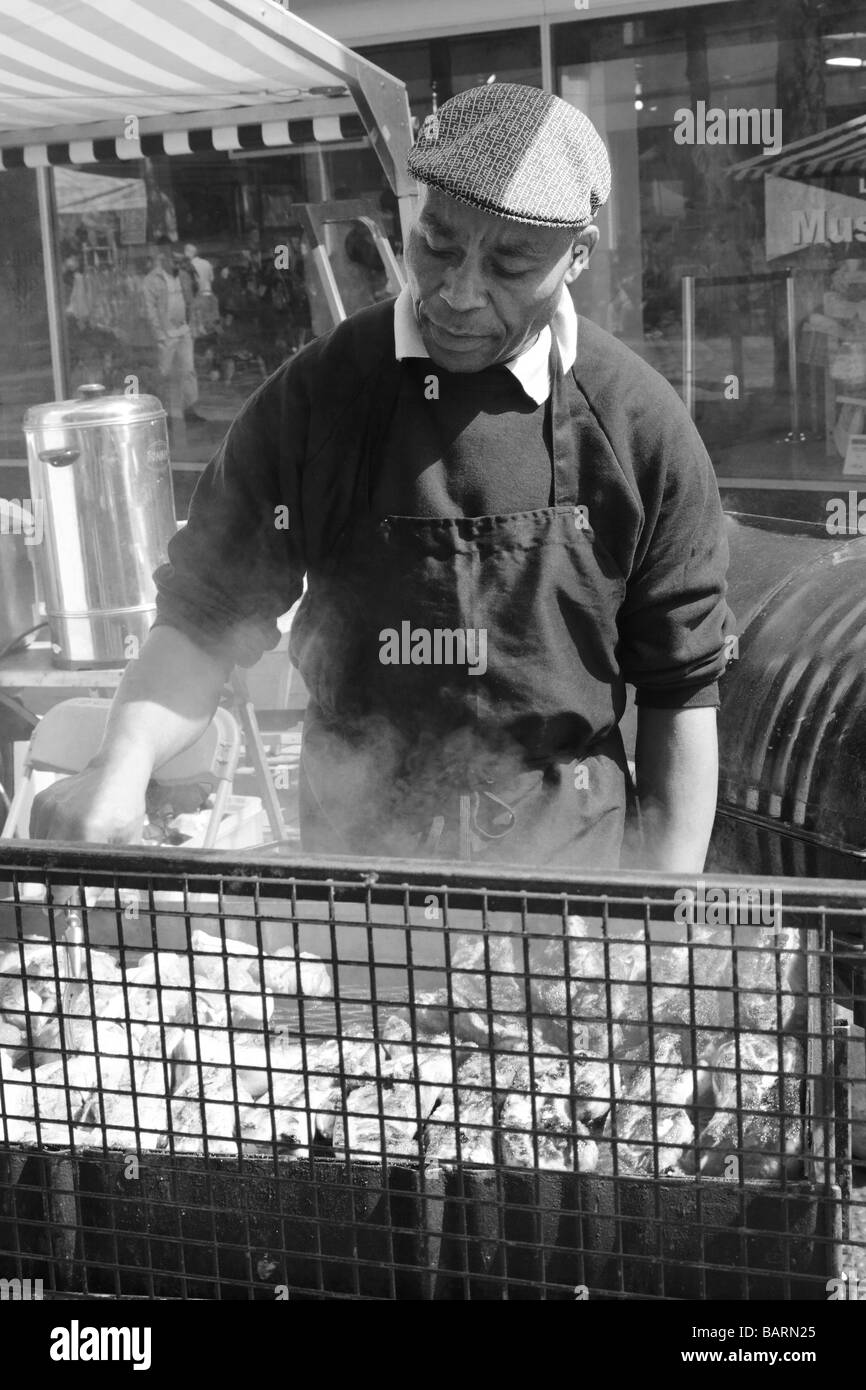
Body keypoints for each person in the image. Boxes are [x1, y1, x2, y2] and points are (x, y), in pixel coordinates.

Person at [32, 83, 730, 874]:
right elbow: (203, 618)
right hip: (360, 885)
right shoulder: (316, 398)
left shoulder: (639, 429)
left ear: (579, 253)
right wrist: (120, 766)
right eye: (436, 243)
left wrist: (663, 922)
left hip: (570, 889)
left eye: (509, 264)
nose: (459, 293)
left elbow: (681, 690)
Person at [142, 237, 205, 425]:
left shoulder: (183, 276)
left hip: (183, 330)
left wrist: (192, 326)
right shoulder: (152, 280)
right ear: (165, 259)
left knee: (188, 370)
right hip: (166, 333)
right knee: (164, 373)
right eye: (174, 261)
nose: (177, 264)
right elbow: (149, 309)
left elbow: (191, 301)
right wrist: (159, 334)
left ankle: (190, 408)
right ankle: (161, 413)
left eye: (179, 261)